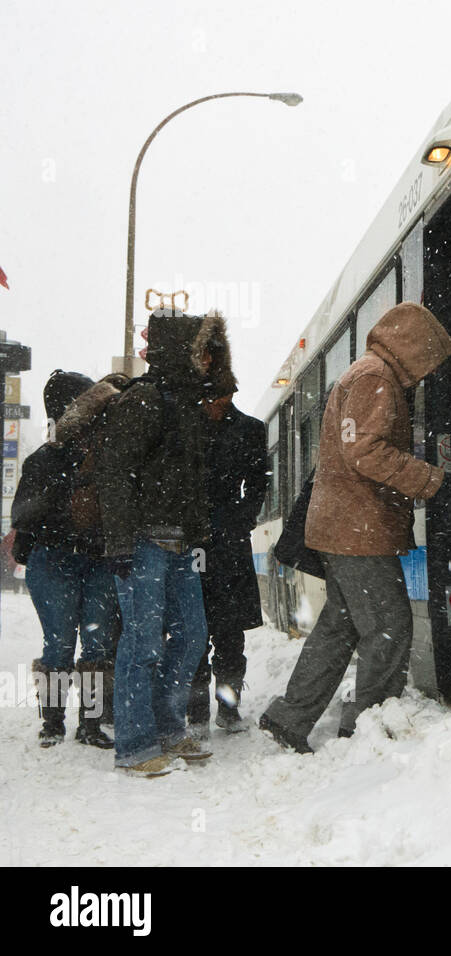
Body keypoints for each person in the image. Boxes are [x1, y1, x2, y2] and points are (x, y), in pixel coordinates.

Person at [260, 302, 451, 753]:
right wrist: (430, 479)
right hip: (357, 530)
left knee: (340, 625)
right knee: (389, 625)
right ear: (411, 346)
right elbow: (365, 452)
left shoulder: (366, 373)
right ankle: (370, 726)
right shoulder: (375, 379)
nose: (429, 370)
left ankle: (291, 717)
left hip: (346, 527)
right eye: (428, 355)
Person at [99, 309, 234, 776]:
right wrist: (118, 540)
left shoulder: (187, 405)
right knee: (143, 643)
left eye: (213, 351)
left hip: (180, 545)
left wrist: (199, 537)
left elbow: (192, 483)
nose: (208, 359)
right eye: (202, 349)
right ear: (179, 350)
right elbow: (113, 470)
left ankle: (169, 728)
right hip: (141, 541)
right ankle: (134, 746)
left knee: (194, 635)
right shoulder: (145, 399)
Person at [12, 370, 118, 749]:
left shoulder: (98, 454)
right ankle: (56, 723)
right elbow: (22, 516)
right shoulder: (47, 459)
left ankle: (85, 725)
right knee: (67, 645)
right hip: (61, 560)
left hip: (85, 560)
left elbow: (23, 518)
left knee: (94, 646)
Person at [187, 389, 267, 737]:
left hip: (229, 541)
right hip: (193, 539)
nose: (214, 402)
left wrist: (242, 518)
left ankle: (228, 707)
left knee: (229, 631)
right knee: (192, 629)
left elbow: (259, 480)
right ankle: (196, 712)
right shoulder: (186, 427)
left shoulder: (249, 429)